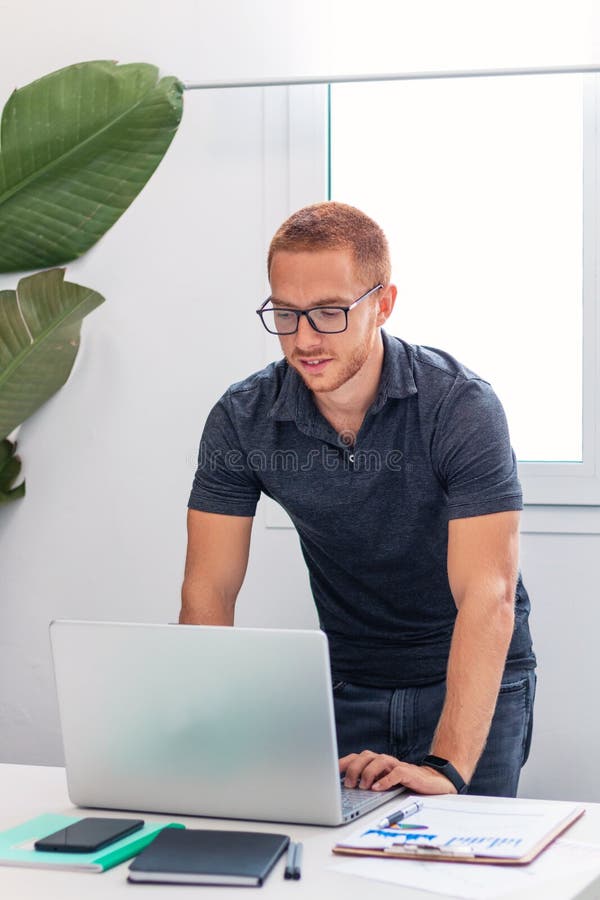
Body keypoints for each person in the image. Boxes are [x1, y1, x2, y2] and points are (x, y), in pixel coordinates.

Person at [181, 201, 536, 798]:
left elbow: (489, 593)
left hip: (475, 684)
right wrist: (205, 730)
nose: (305, 339)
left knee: (457, 876)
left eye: (328, 313)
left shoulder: (461, 406)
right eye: (286, 315)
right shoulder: (242, 418)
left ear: (384, 303)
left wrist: (445, 766)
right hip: (347, 686)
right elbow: (208, 588)